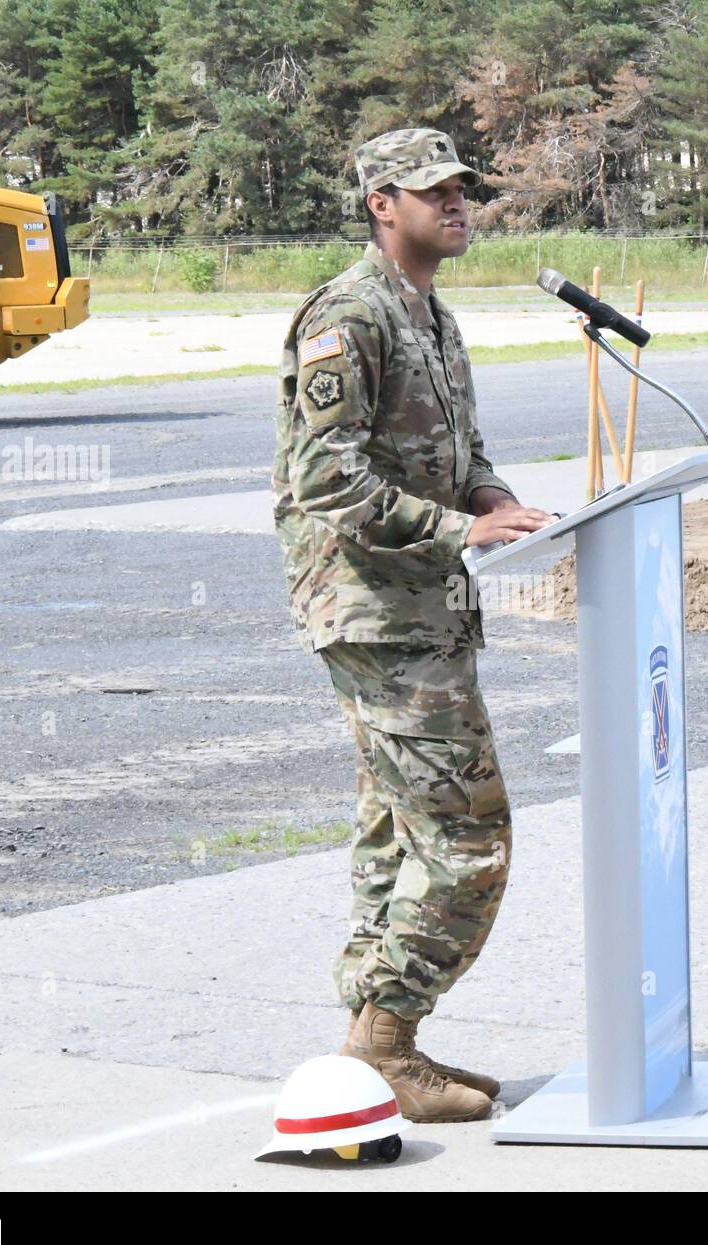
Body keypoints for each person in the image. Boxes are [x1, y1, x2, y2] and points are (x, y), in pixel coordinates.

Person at [271, 128, 555, 1123]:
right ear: (381, 202)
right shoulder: (348, 315)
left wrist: (498, 501)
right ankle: (385, 1037)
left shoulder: (432, 317)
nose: (457, 203)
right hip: (375, 612)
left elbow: (459, 452)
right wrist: (459, 527)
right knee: (469, 841)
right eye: (435, 191)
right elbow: (327, 479)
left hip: (425, 609)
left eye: (462, 188)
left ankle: (374, 1051)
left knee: (395, 835)